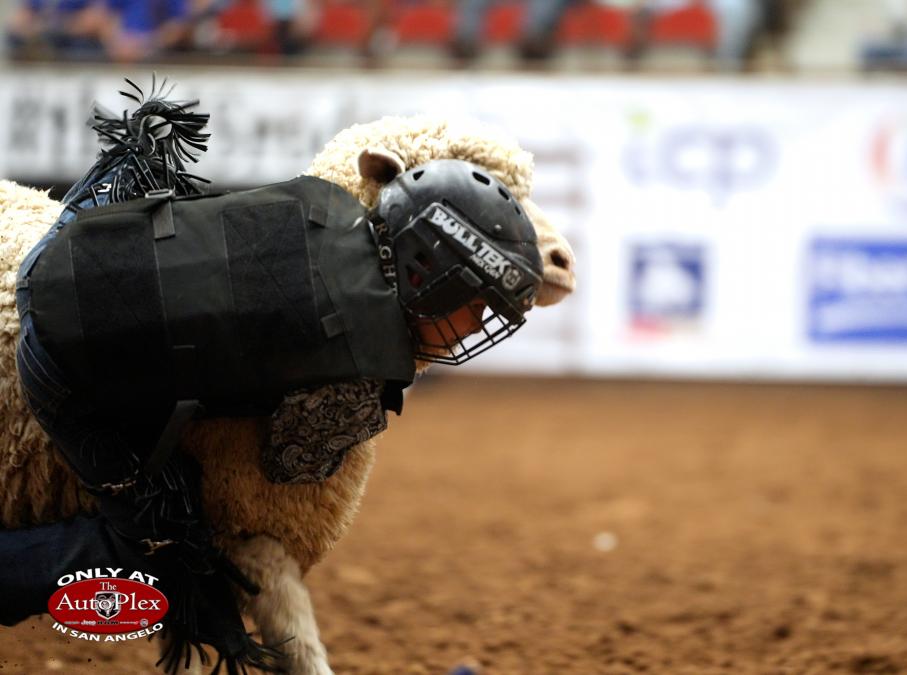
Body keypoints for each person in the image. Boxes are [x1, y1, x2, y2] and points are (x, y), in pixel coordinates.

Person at [0, 82, 543, 672]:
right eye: (473, 302)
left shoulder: (331, 217)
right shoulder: (362, 350)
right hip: (54, 356)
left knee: (178, 510)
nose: (474, 323)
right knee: (151, 553)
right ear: (424, 271)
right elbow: (281, 478)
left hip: (70, 246)